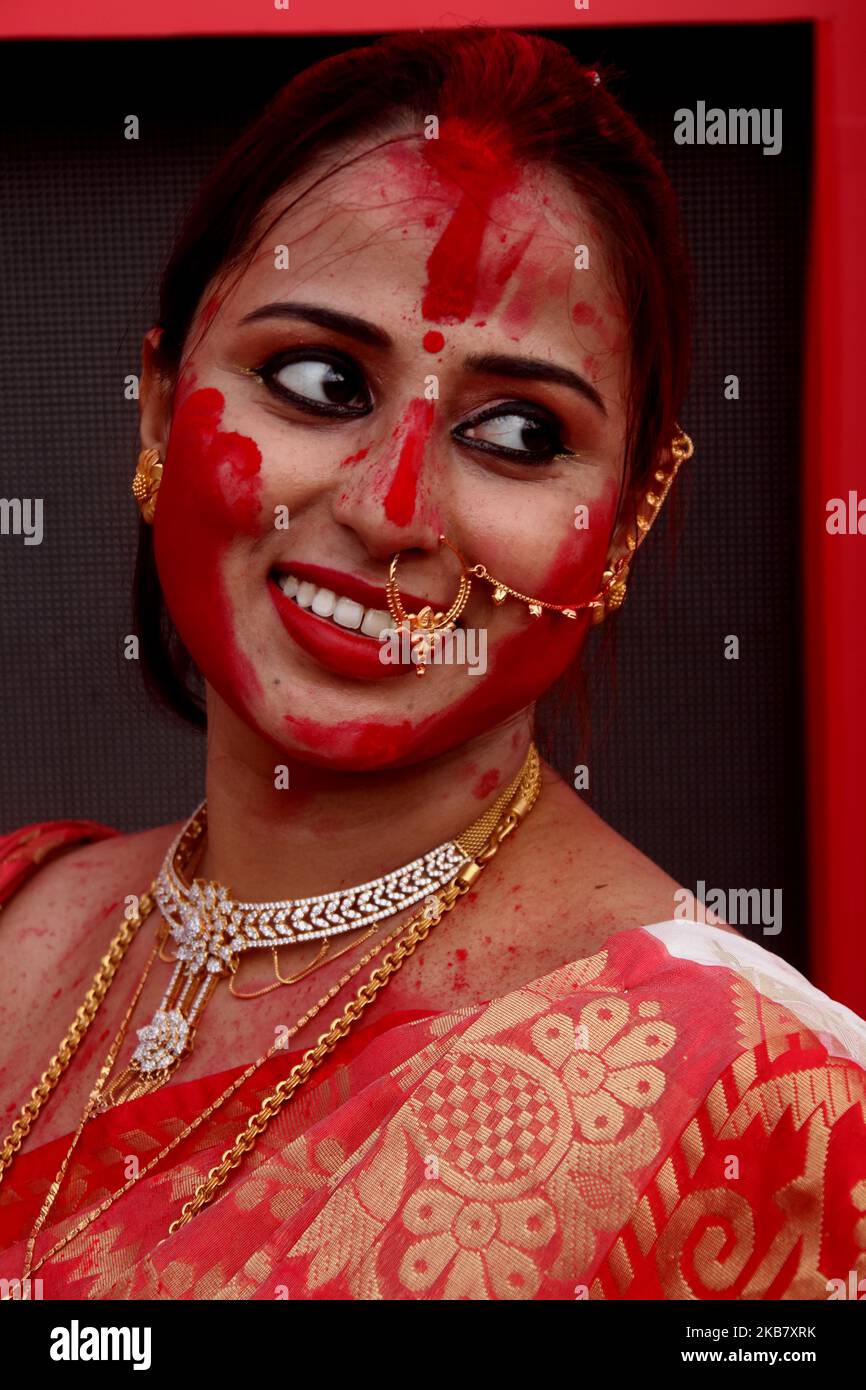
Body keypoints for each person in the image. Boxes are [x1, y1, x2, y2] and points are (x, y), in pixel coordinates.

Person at [1, 28, 864, 1302]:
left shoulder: (759, 1107)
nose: (391, 510)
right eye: (317, 379)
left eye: (516, 432)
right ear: (156, 402)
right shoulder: (20, 910)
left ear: (624, 522)